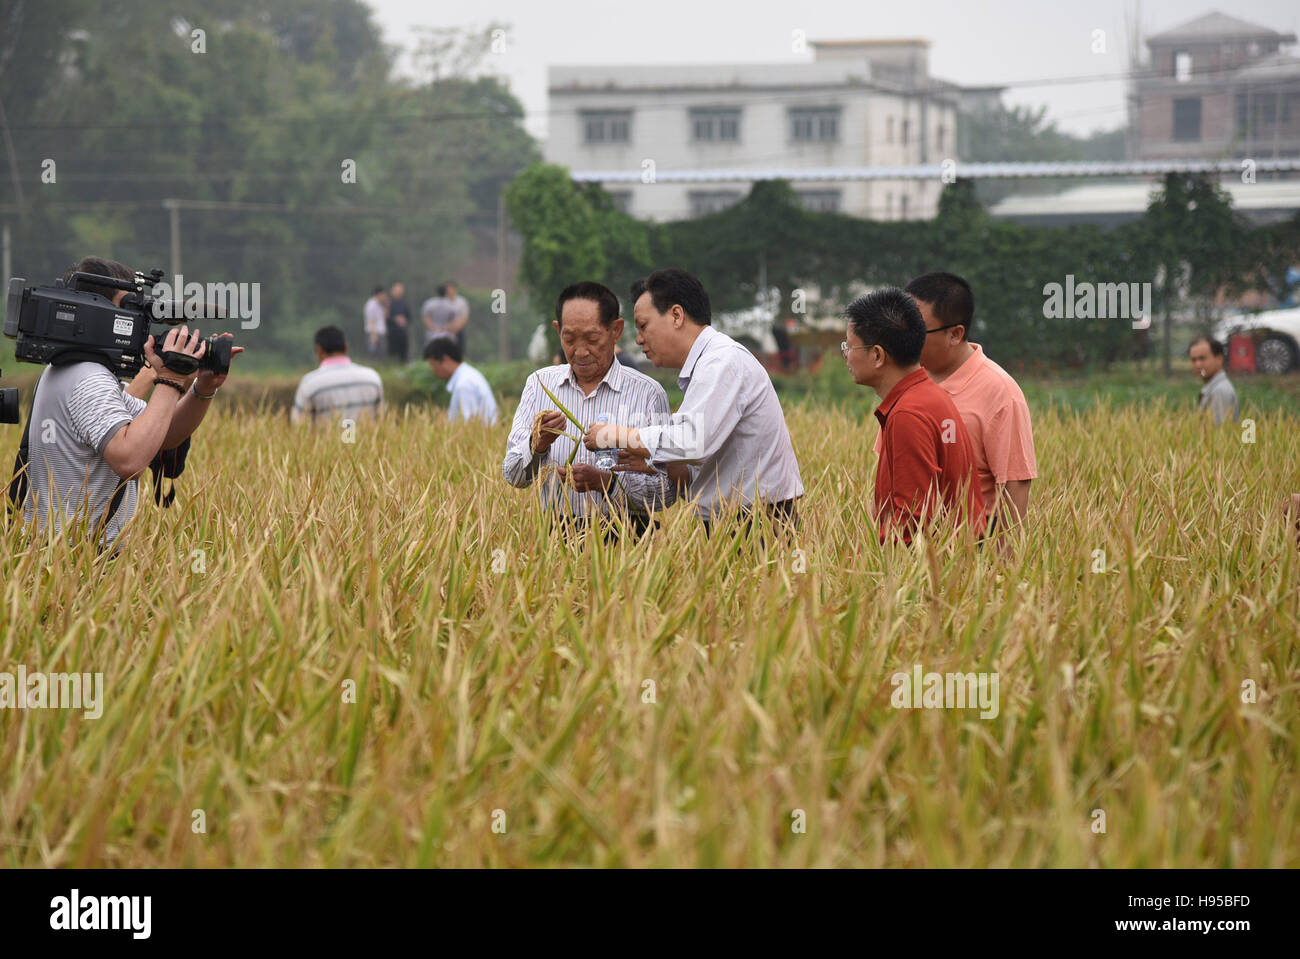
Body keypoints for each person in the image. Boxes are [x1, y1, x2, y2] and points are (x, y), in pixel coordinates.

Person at [21, 256, 239, 552]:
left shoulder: (68, 369)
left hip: (61, 553)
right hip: (79, 559)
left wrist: (202, 388)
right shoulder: (89, 379)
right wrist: (170, 379)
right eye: (129, 308)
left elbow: (164, 433)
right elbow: (131, 459)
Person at [583, 269, 803, 536]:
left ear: (676, 315)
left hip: (757, 524)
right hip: (735, 522)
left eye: (643, 326)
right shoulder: (707, 366)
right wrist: (658, 462)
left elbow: (693, 441)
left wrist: (613, 435)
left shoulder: (722, 361)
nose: (639, 339)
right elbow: (698, 462)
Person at [503, 281, 686, 536]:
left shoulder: (648, 393)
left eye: (592, 338)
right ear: (558, 331)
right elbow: (513, 475)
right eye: (569, 339)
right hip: (555, 536)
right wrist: (538, 445)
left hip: (627, 539)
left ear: (616, 331)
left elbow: (668, 491)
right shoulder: (539, 385)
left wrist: (607, 484)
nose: (580, 351)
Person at [843, 287, 983, 544]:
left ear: (877, 355)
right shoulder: (929, 397)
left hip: (932, 573)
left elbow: (913, 522)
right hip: (956, 563)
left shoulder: (908, 414)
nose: (845, 355)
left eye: (849, 347)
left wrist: (856, 566)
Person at [905, 271, 1037, 536]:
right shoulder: (904, 381)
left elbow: (1015, 484)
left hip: (972, 548)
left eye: (917, 331)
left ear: (955, 334)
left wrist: (1004, 570)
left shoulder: (1000, 392)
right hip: (908, 547)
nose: (905, 339)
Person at [291, 326, 383, 425]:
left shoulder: (310, 383)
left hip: (326, 440)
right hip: (366, 440)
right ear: (346, 348)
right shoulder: (372, 379)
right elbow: (381, 421)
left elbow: (300, 428)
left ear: (319, 350)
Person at [424, 334, 499, 425]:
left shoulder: (464, 384)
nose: (433, 371)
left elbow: (470, 425)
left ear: (445, 360)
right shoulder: (468, 375)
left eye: (433, 365)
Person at [1188, 336, 1238, 425]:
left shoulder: (1220, 391)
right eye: (1193, 360)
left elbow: (1218, 433)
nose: (1198, 365)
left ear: (1219, 359)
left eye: (1202, 358)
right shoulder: (1212, 388)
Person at [387, 282, 412, 364]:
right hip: (392, 332)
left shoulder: (405, 304)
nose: (398, 293)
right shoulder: (388, 304)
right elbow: (386, 318)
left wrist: (405, 320)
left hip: (402, 332)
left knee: (403, 355)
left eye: (400, 291)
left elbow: (409, 317)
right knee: (392, 354)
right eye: (396, 291)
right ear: (392, 291)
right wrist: (395, 319)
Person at [444, 281, 470, 357]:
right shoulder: (443, 301)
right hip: (446, 330)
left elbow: (465, 316)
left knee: (459, 351)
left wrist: (457, 327)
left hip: (458, 330)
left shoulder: (461, 301)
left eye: (451, 288)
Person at [363, 285, 388, 358]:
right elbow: (371, 321)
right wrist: (373, 335)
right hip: (375, 334)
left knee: (382, 355)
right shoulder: (371, 305)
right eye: (383, 295)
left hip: (380, 333)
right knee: (375, 356)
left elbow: (384, 317)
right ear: (379, 294)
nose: (385, 297)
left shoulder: (380, 305)